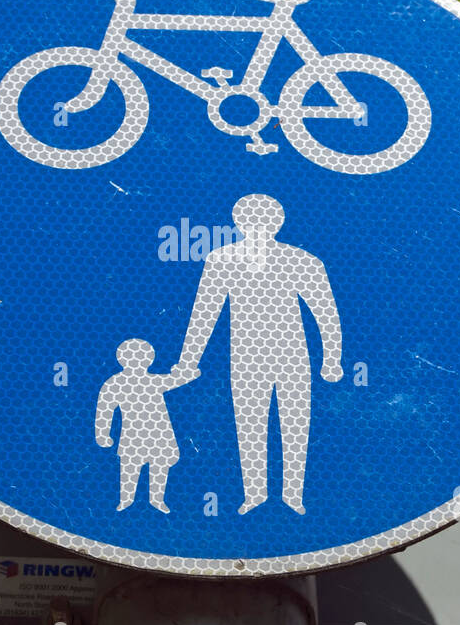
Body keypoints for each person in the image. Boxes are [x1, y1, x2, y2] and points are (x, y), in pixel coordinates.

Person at [172, 194, 342, 515]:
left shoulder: (302, 261)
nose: (259, 227)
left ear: (278, 223)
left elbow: (325, 313)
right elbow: (204, 314)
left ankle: (293, 494)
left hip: (292, 356)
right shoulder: (222, 260)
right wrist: (189, 360)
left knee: (295, 424)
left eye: (265, 221)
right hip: (247, 357)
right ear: (240, 223)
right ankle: (255, 494)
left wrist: (331, 358)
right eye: (251, 221)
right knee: (249, 425)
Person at [96, 338, 198, 513]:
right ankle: (125, 501)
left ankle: (157, 500)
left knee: (160, 465)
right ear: (122, 359)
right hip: (132, 436)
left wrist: (189, 373)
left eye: (143, 357)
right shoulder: (115, 383)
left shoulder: (153, 380)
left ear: (149, 360)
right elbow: (104, 409)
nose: (138, 361)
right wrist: (102, 433)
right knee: (129, 467)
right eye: (133, 357)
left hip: (159, 434)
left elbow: (175, 380)